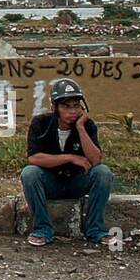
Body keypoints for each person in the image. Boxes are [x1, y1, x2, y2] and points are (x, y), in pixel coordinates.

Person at [20, 78, 113, 246]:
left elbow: (96, 160)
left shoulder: (87, 125)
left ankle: (95, 230)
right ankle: (42, 229)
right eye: (66, 106)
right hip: (51, 182)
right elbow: (34, 158)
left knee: (103, 173)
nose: (72, 111)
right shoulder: (40, 123)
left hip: (77, 182)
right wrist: (70, 157)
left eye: (76, 106)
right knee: (29, 173)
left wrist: (80, 128)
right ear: (55, 107)